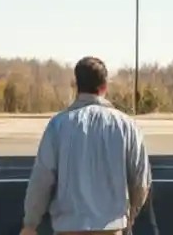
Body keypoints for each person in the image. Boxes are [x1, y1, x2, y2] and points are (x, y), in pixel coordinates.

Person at [21, 56, 151, 235]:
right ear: (104, 86)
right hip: (111, 227)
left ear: (77, 85)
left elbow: (42, 179)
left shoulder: (58, 125)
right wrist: (130, 215)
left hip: (69, 228)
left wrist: (30, 223)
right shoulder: (127, 126)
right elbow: (141, 181)